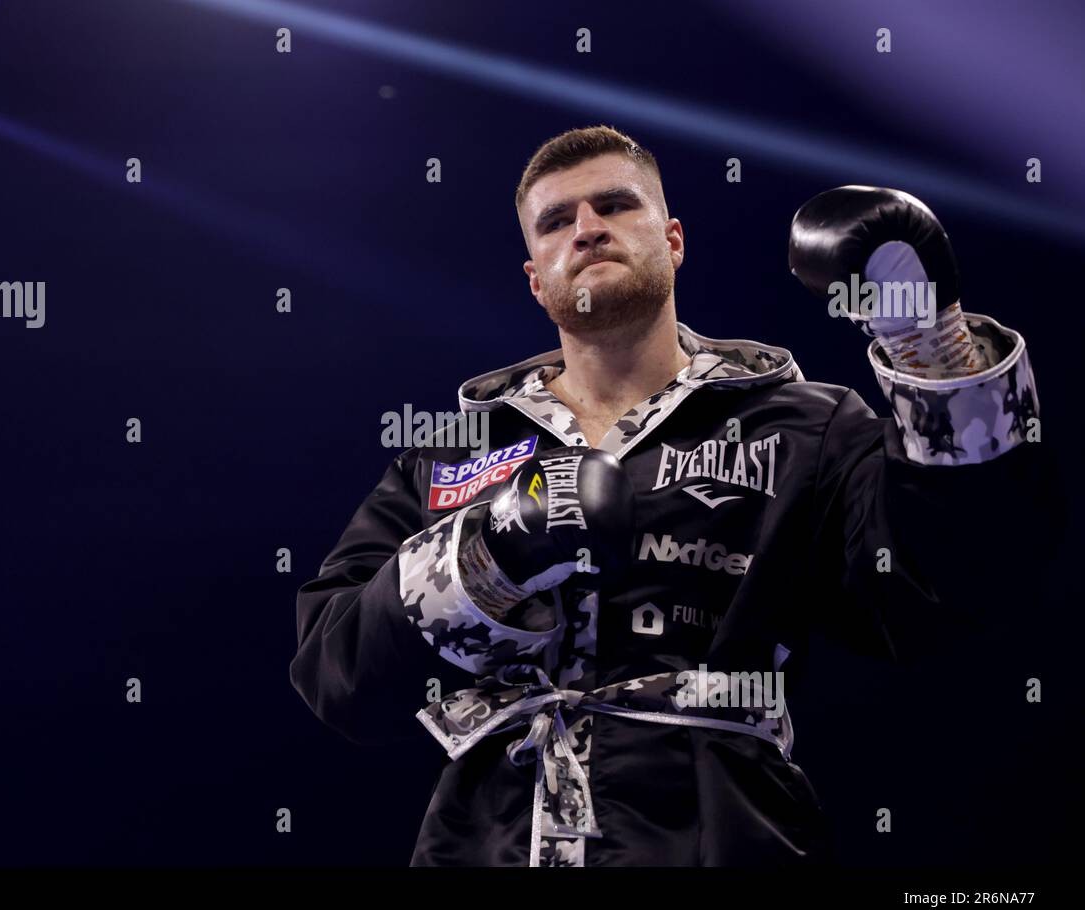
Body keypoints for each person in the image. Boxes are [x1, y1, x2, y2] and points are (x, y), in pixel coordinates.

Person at [290, 124, 1050, 866]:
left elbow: (961, 579)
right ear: (536, 278)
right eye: (556, 221)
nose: (588, 229)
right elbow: (336, 674)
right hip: (486, 840)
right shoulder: (456, 451)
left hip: (722, 831)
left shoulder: (803, 426)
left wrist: (928, 337)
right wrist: (489, 556)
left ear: (674, 239)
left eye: (616, 205)